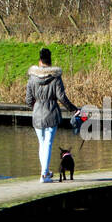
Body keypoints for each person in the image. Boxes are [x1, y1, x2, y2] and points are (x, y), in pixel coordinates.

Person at [25, 47, 77, 183]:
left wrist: (35, 107)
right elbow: (61, 97)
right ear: (50, 60)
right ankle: (44, 175)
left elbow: (28, 100)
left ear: (39, 60)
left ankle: (45, 172)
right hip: (51, 113)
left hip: (37, 114)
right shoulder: (55, 77)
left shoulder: (32, 78)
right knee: (47, 143)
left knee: (42, 144)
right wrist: (73, 109)